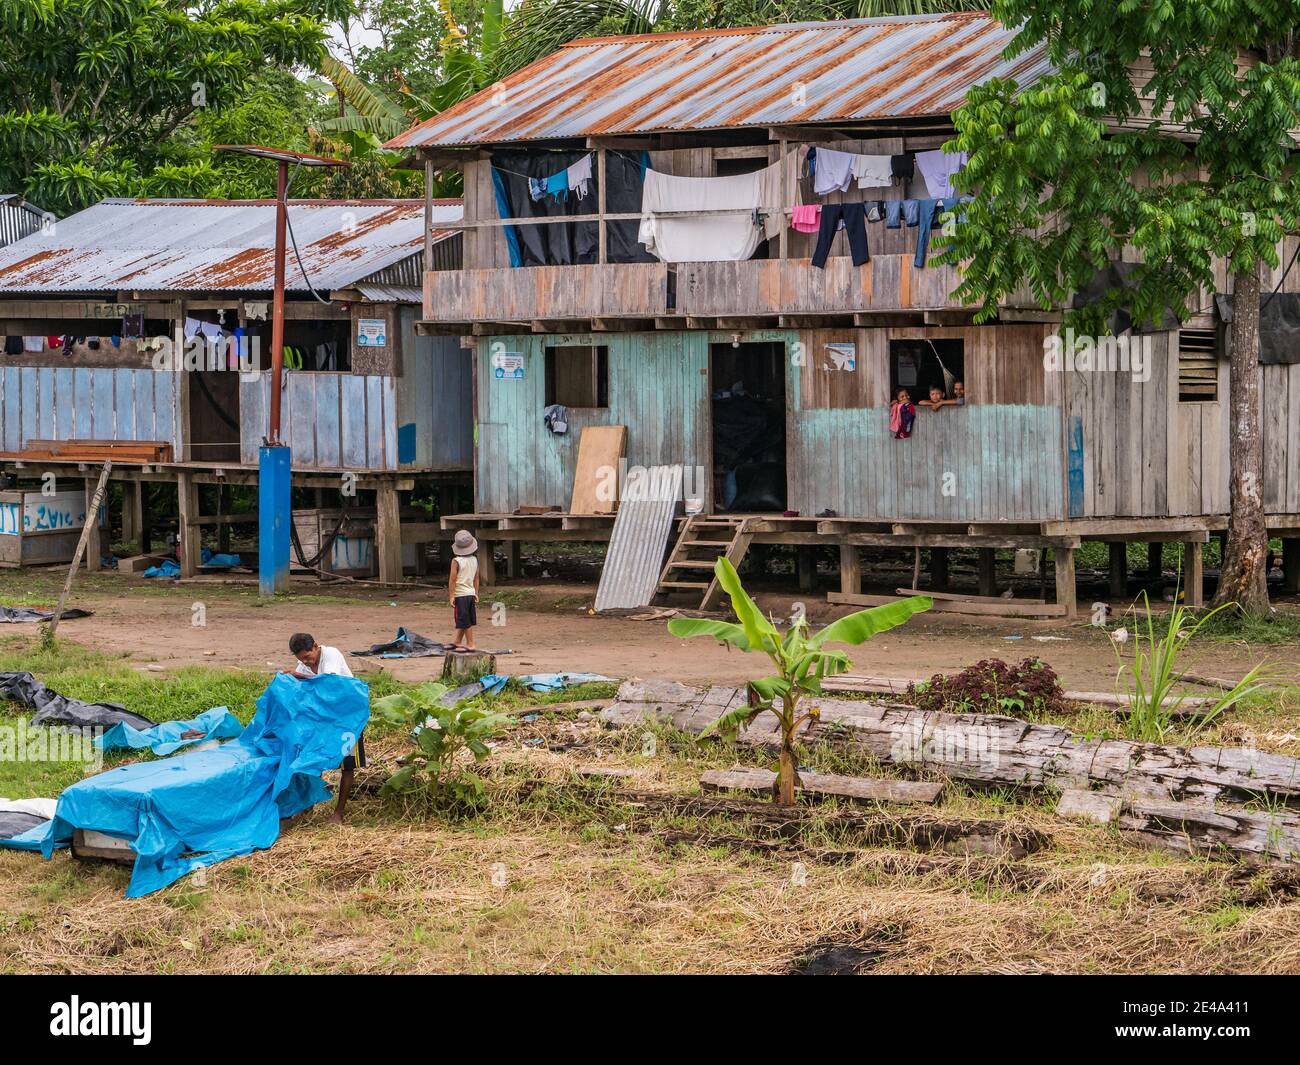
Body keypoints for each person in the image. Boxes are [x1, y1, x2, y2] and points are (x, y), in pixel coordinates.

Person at [283, 633, 361, 824]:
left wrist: (298, 676)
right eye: (301, 659)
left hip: (347, 717)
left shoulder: (331, 654)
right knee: (312, 761)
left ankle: (339, 813)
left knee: (347, 765)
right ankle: (308, 806)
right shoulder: (303, 665)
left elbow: (328, 684)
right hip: (324, 719)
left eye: (308, 657)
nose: (306, 662)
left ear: (316, 646)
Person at [448, 529, 481, 652]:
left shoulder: (456, 561)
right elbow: (476, 578)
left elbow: (452, 580)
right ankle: (457, 641)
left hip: (461, 595)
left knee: (464, 619)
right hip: (470, 594)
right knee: (465, 618)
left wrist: (451, 596)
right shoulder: (475, 560)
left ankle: (471, 643)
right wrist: (476, 593)